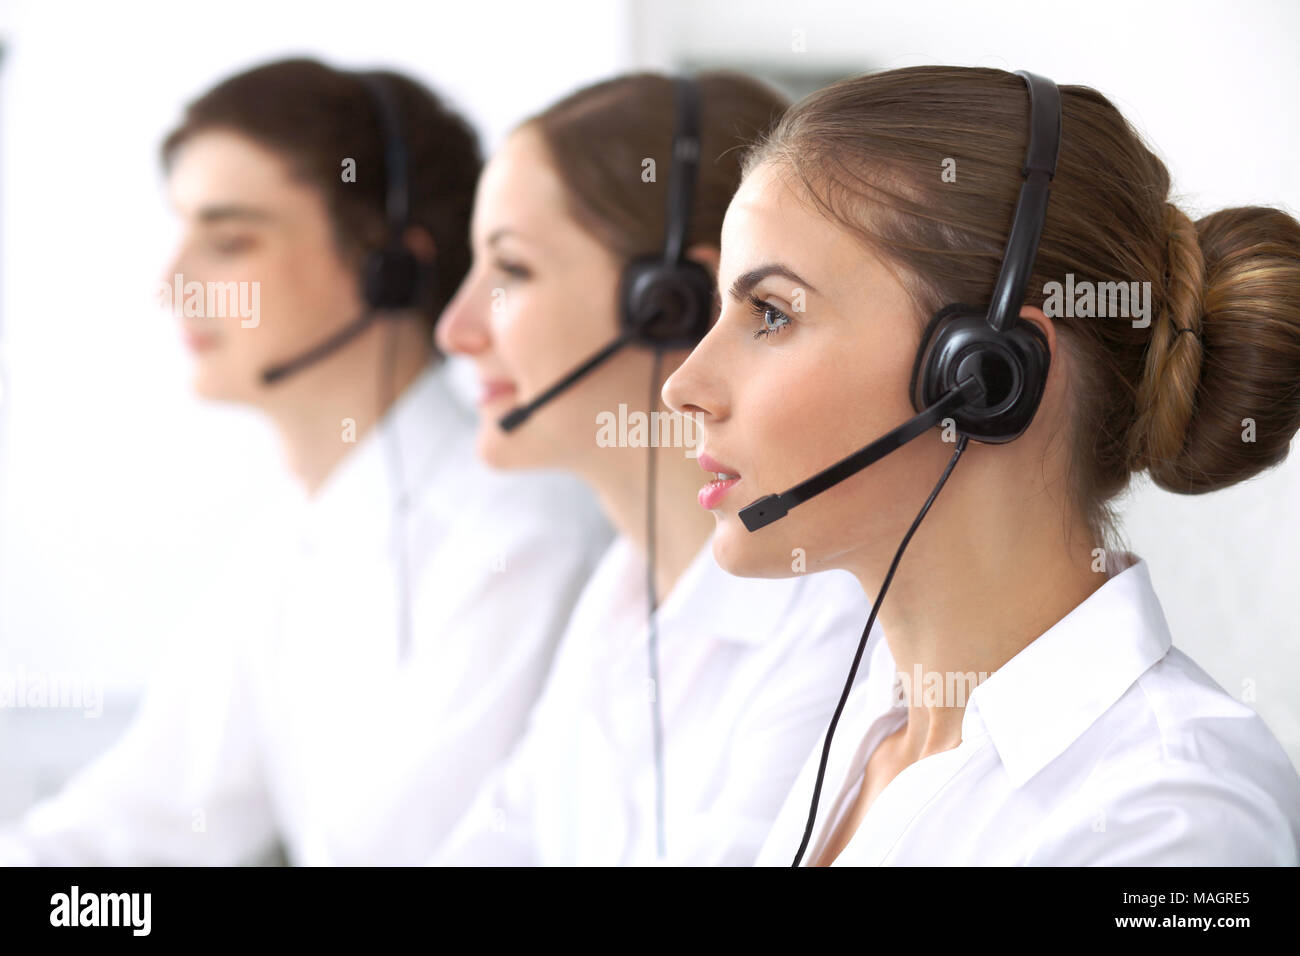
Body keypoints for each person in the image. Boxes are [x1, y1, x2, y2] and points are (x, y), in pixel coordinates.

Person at [662, 65, 1300, 866]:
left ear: (988, 376)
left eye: (772, 314)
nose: (682, 385)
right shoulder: (869, 727)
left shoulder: (1171, 820)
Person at [0, 58, 610, 865]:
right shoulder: (291, 542)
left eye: (228, 239)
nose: (175, 283)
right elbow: (141, 820)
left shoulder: (518, 538)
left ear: (387, 267)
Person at [431, 72, 878, 866]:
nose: (456, 328)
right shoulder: (620, 590)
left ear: (676, 301)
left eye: (512, 271)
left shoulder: (838, 628)